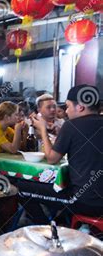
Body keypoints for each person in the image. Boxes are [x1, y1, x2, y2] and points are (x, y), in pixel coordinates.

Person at [19, 84, 102, 222]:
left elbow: (52, 159)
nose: (66, 111)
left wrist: (43, 130)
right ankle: (63, 223)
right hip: (95, 197)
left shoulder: (72, 125)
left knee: (21, 188)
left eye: (68, 106)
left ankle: (47, 228)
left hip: (86, 202)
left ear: (80, 107)